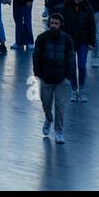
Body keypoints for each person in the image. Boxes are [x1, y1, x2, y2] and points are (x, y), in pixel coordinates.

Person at [33, 11, 77, 143]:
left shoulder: (67, 39)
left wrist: (69, 76)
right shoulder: (42, 38)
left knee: (60, 105)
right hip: (45, 76)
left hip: (61, 78)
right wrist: (37, 72)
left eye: (56, 24)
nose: (53, 25)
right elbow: (36, 56)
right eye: (51, 23)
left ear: (60, 25)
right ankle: (48, 118)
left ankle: (59, 132)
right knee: (45, 102)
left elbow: (70, 58)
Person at [62, 0, 97, 100]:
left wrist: (92, 42)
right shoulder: (66, 7)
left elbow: (92, 25)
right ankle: (73, 89)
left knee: (82, 65)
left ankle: (81, 88)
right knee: (72, 66)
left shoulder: (87, 7)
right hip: (70, 41)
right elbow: (62, 24)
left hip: (83, 41)